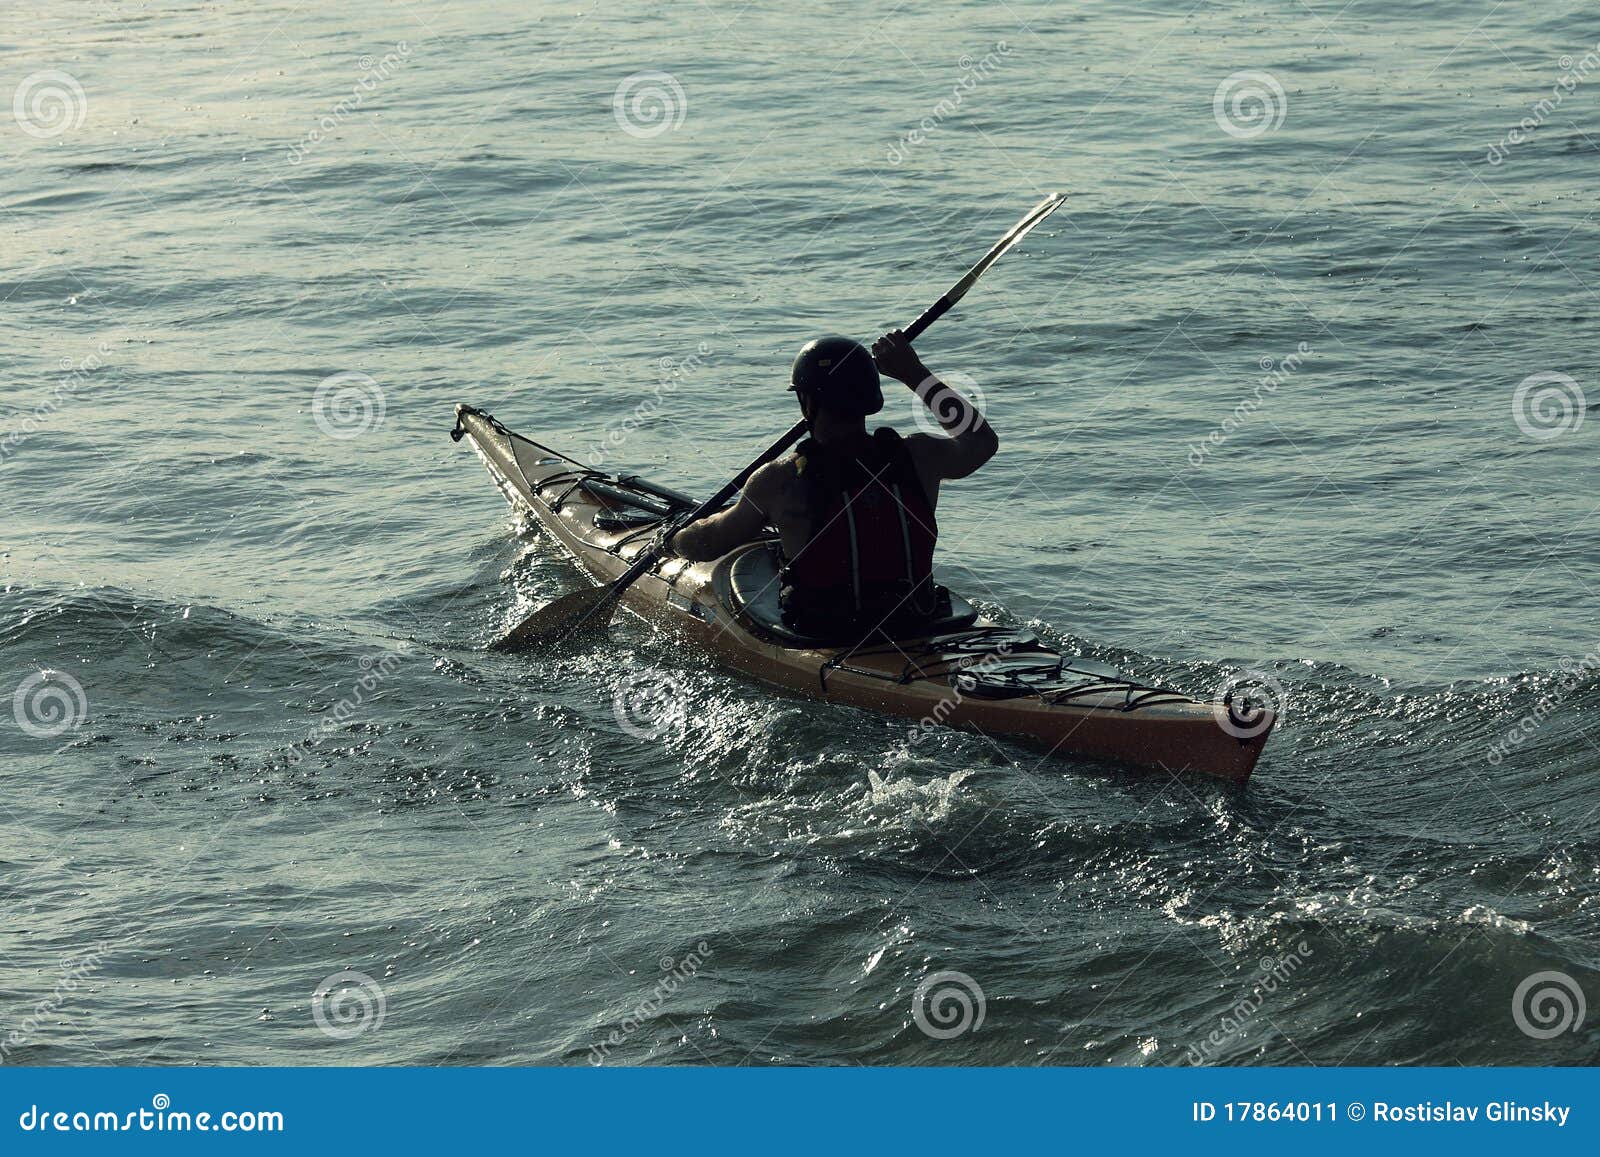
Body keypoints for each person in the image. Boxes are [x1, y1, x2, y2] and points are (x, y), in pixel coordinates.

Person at [667, 331, 998, 639]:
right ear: (870, 397)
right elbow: (981, 441)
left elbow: (709, 544)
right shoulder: (921, 456)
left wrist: (674, 538)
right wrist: (913, 373)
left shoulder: (779, 480)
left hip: (826, 634)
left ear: (807, 403)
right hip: (915, 623)